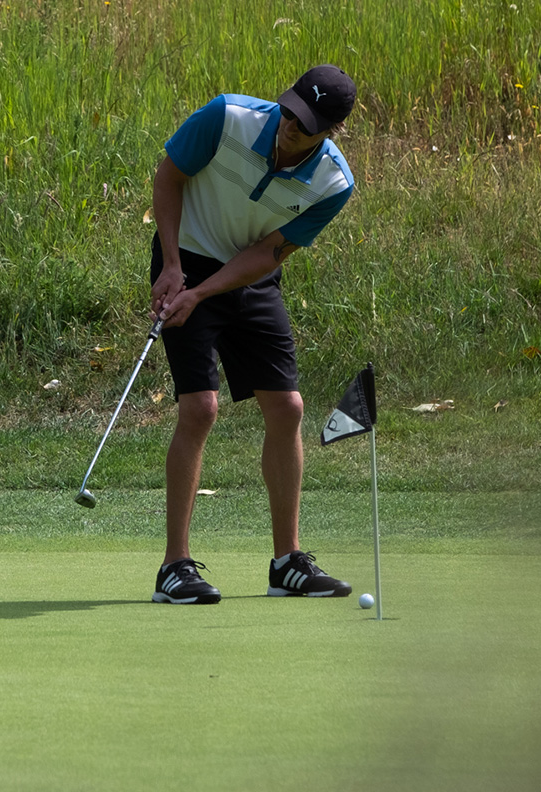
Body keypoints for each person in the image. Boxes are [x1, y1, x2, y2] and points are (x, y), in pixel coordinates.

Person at [148, 65, 359, 604]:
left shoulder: (333, 183)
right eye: (290, 110)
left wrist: (205, 293)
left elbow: (267, 253)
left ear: (331, 129)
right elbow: (168, 176)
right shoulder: (228, 117)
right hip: (187, 256)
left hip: (250, 274)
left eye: (307, 123)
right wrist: (174, 269)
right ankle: (174, 567)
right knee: (200, 407)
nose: (291, 124)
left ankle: (286, 563)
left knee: (287, 407)